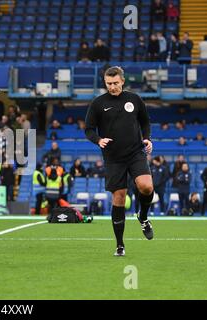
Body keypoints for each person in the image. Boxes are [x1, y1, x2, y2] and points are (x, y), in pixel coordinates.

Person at [85, 66, 155, 257]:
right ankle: (120, 245)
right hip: (113, 157)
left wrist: (147, 138)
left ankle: (143, 216)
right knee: (120, 197)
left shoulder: (134, 99)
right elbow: (89, 129)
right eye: (109, 84)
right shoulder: (98, 103)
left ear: (122, 81)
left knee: (146, 187)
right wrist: (98, 140)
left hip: (135, 153)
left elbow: (145, 122)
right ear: (105, 83)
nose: (112, 87)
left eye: (115, 83)